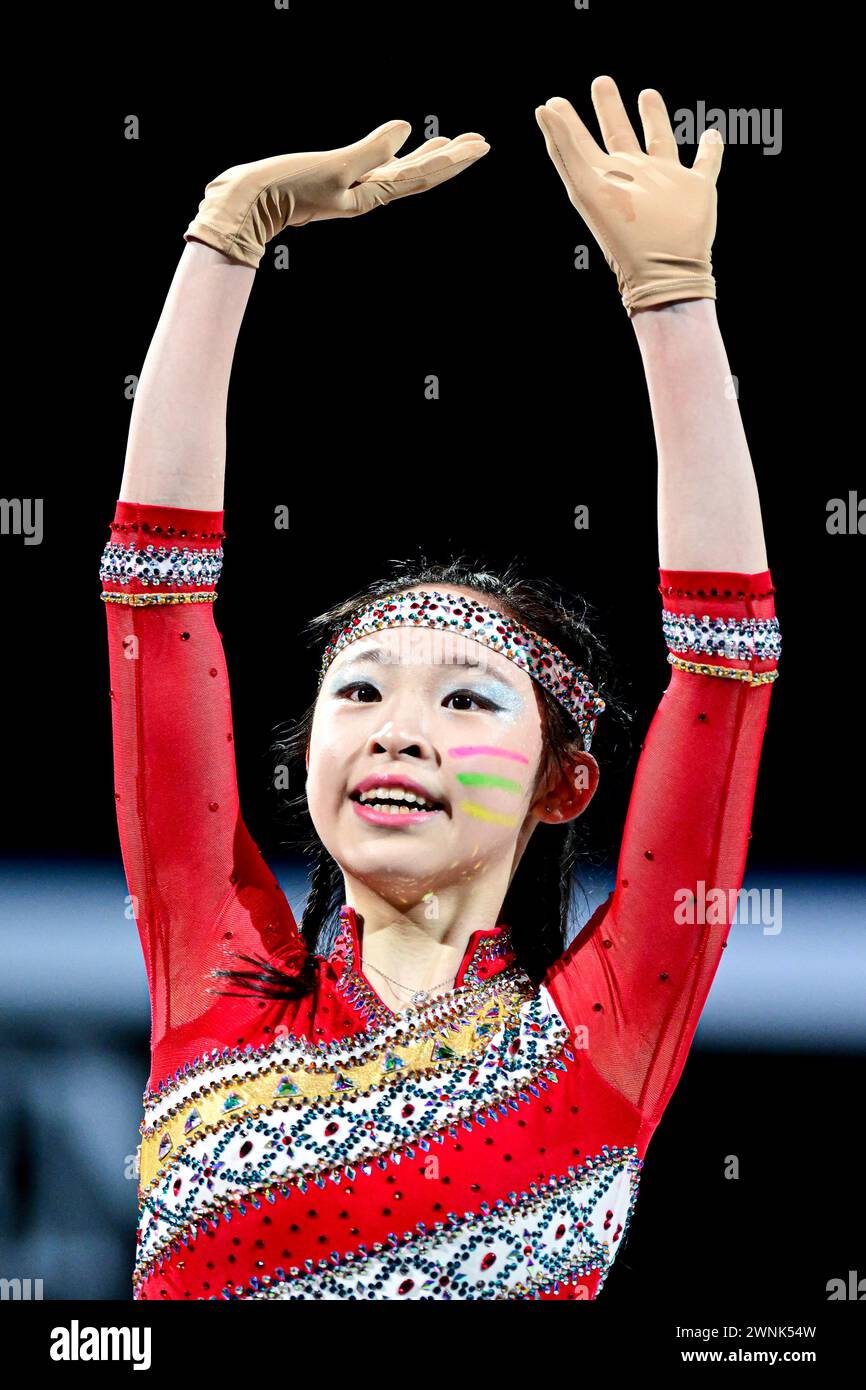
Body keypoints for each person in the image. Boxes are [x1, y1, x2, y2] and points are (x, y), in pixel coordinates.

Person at [100, 78, 781, 1301]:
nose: (397, 732)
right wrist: (221, 241)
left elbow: (723, 672)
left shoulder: (600, 1036)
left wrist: (672, 299)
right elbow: (154, 596)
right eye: (357, 694)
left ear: (564, 781)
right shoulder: (213, 972)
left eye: (466, 702)